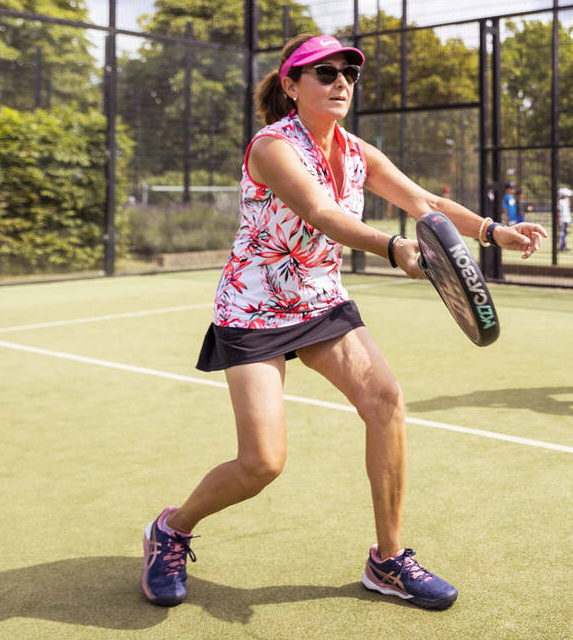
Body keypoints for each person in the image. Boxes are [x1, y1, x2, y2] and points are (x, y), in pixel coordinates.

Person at [140, 34, 547, 611]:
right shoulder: (273, 147)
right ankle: (172, 529)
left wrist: (492, 230)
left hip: (321, 301)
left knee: (386, 402)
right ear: (291, 85)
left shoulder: (357, 151)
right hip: (255, 309)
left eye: (349, 75)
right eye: (325, 73)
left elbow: (424, 201)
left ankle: (388, 560)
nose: (341, 83)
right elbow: (321, 212)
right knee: (261, 463)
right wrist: (394, 247)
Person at [557, 186, 573, 251]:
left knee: (564, 233)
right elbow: (558, 212)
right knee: (562, 233)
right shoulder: (560, 202)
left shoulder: (566, 201)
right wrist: (559, 221)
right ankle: (561, 246)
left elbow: (569, 205)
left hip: (566, 219)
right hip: (562, 219)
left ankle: (564, 246)